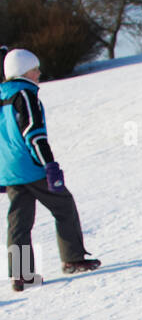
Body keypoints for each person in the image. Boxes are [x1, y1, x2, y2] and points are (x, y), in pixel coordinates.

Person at [1, 49, 101, 290]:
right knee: (64, 206)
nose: (39, 73)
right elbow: (34, 133)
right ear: (23, 72)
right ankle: (72, 258)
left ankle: (22, 274)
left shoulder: (3, 96)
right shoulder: (25, 95)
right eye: (35, 69)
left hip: (10, 170)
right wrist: (49, 165)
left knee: (19, 222)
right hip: (32, 167)